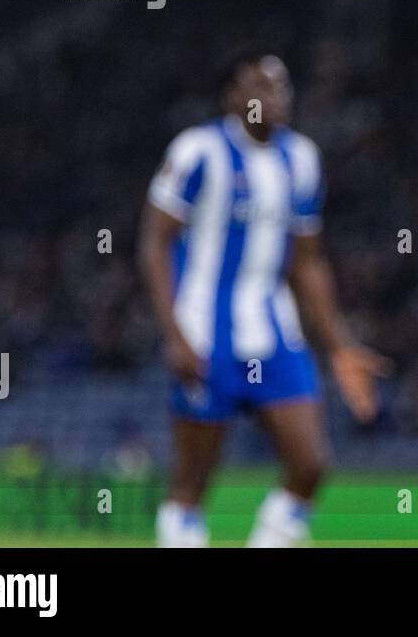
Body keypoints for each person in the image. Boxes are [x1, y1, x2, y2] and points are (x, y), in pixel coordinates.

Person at [139, 49, 390, 547]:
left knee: (311, 465)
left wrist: (340, 345)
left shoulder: (302, 159)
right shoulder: (197, 151)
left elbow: (307, 262)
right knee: (191, 483)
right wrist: (173, 334)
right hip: (205, 333)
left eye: (282, 86)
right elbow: (154, 242)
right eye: (260, 84)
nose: (275, 96)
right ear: (233, 95)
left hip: (274, 332)